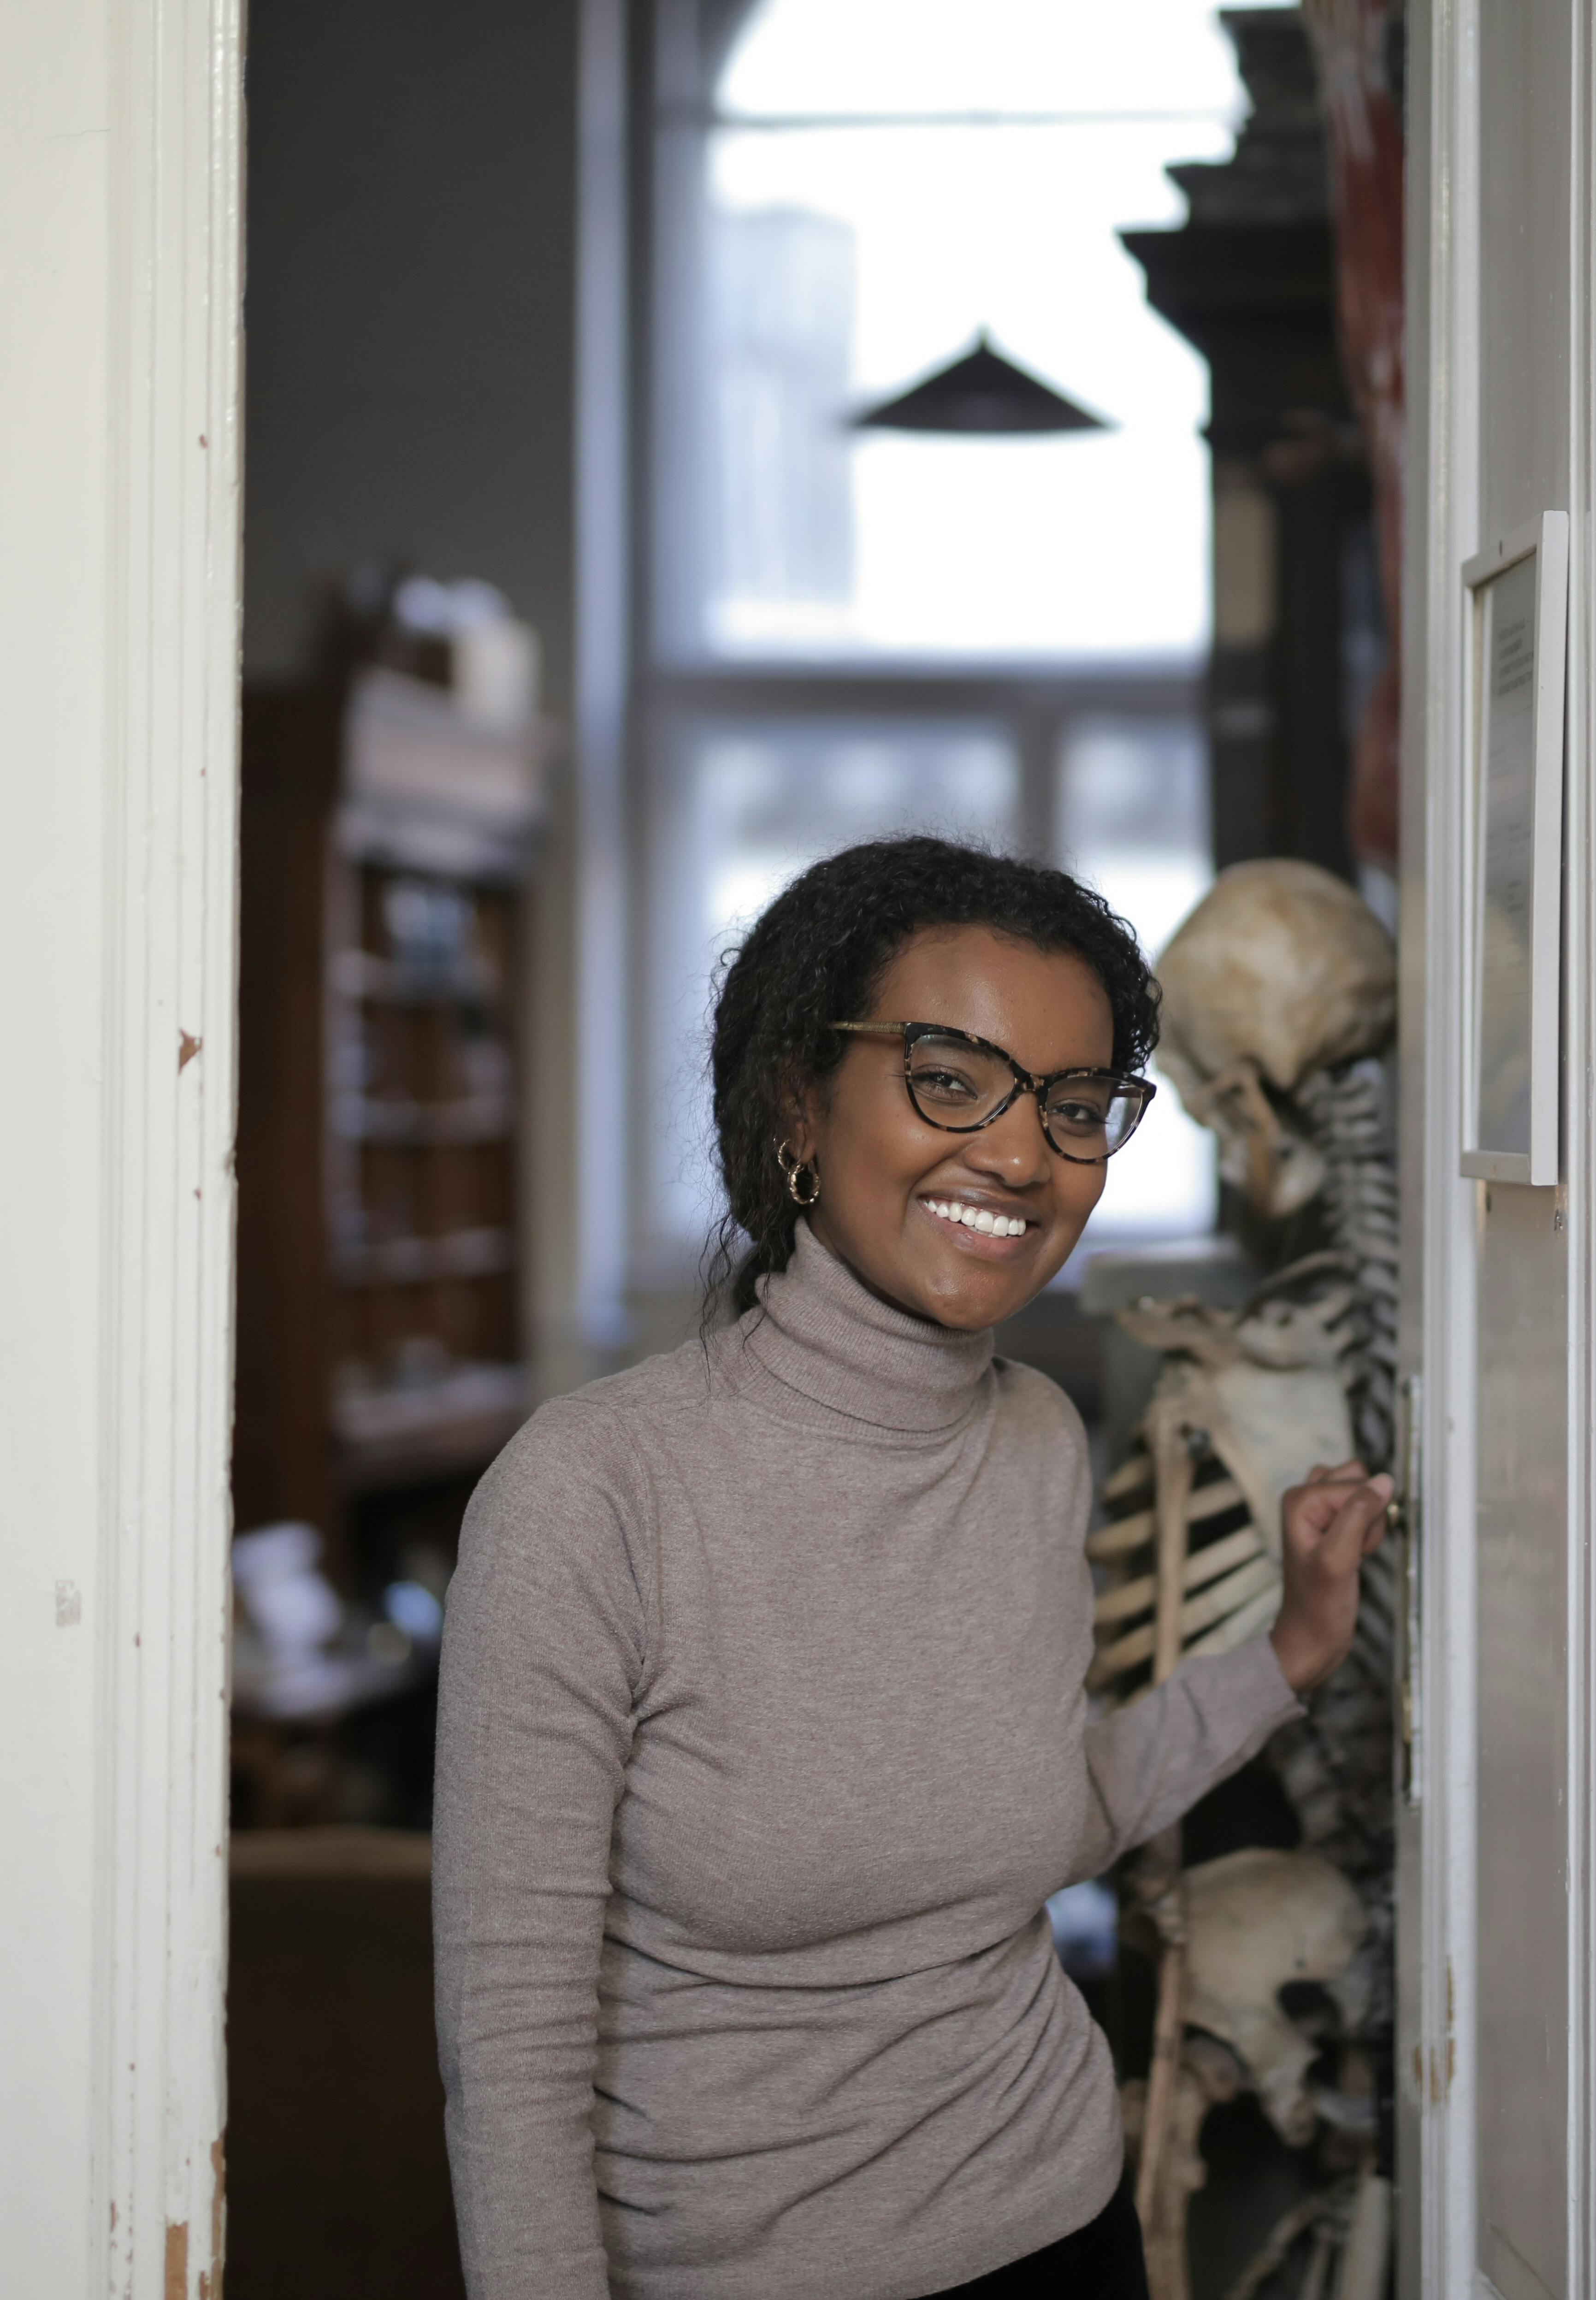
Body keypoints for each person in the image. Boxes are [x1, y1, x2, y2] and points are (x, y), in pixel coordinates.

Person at [433, 836, 1391, 2300]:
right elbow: (508, 2049)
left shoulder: (1034, 1442)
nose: (1018, 1155)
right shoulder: (590, 1497)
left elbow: (1024, 1822)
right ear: (798, 1105)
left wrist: (1291, 1655)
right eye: (950, 1079)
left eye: (1075, 1107)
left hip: (1060, 2231)